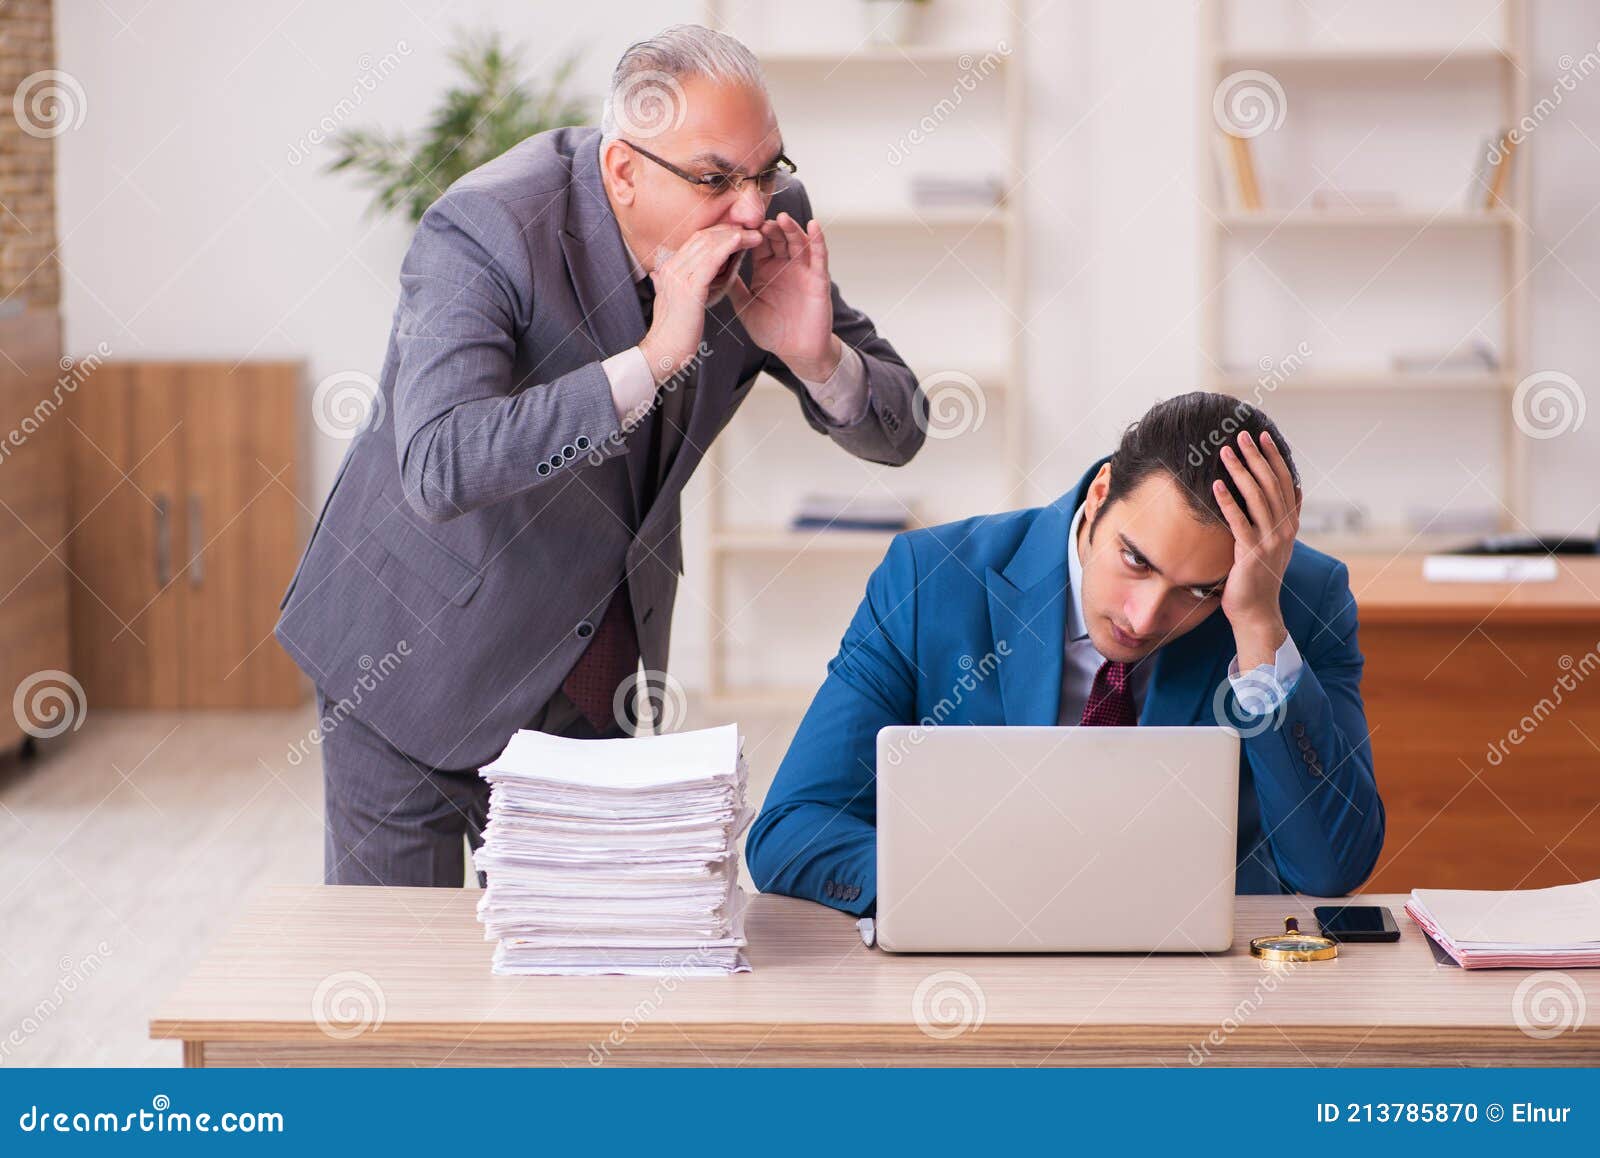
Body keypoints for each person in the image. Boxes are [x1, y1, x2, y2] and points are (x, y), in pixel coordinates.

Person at [274, 24, 926, 887]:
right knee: (408, 988)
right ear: (624, 171)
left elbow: (903, 425)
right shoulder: (486, 230)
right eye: (715, 178)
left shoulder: (768, 223)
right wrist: (654, 360)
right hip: (411, 663)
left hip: (594, 668)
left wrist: (817, 359)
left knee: (582, 966)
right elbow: (439, 463)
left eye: (768, 170)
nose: (751, 206)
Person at [745, 392, 1384, 913]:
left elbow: (1331, 868)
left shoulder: (1296, 601)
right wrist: (957, 888)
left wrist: (1255, 627)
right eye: (1136, 560)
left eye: (1198, 591)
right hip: (974, 966)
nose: (1144, 618)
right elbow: (794, 829)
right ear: (1100, 496)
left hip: (1197, 990)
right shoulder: (930, 579)